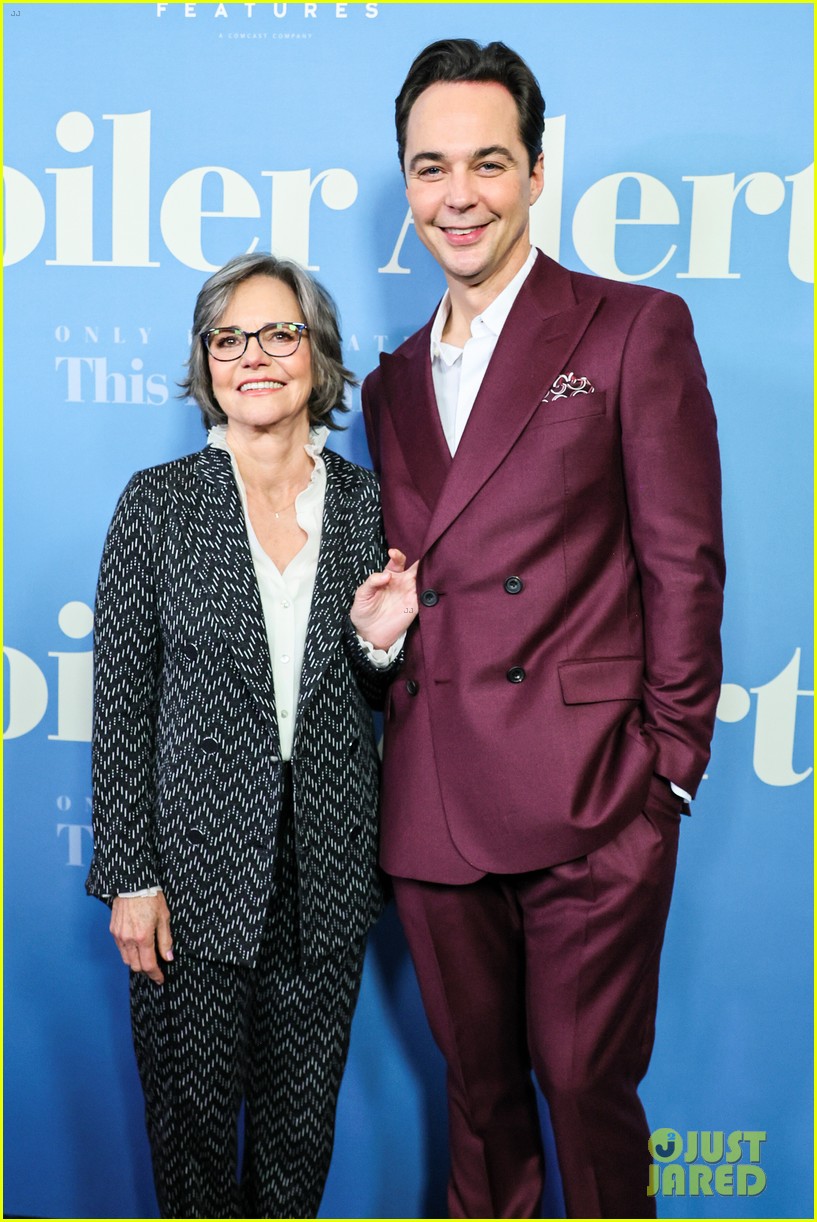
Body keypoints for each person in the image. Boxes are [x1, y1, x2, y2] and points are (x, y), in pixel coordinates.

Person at [362, 38, 725, 1220]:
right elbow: (427, 574)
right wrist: (386, 626)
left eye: (485, 162)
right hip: (434, 800)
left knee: (583, 1089)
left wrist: (664, 772)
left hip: (589, 797)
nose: (455, 194)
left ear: (533, 169)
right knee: (479, 1102)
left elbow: (683, 562)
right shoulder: (391, 380)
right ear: (405, 182)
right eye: (429, 167)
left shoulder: (629, 328)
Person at [86, 251, 417, 1219]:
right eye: (229, 338)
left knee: (297, 1144)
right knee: (189, 1147)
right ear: (206, 362)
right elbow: (119, 706)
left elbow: (373, 686)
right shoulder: (157, 504)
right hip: (186, 886)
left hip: (326, 879)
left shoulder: (365, 507)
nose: (255, 356)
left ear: (318, 355)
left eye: (280, 333)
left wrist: (380, 644)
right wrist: (131, 878)